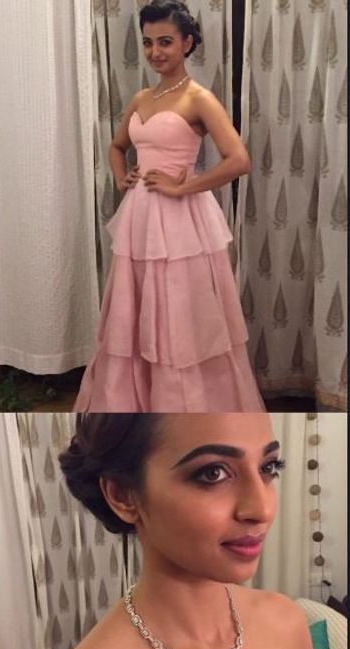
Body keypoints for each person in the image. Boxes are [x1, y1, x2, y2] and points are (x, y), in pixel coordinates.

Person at [74, 0, 263, 412]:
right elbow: (117, 145)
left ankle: (181, 407)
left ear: (187, 43)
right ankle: (135, 404)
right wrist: (121, 175)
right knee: (135, 309)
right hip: (140, 218)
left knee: (179, 314)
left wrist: (185, 187)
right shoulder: (142, 97)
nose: (155, 52)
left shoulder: (199, 98)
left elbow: (239, 160)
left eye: (165, 42)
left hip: (180, 224)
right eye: (147, 43)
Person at [57, 413, 313, 649]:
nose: (262, 510)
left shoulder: (287, 624)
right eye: (213, 473)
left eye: (268, 468)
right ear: (123, 496)